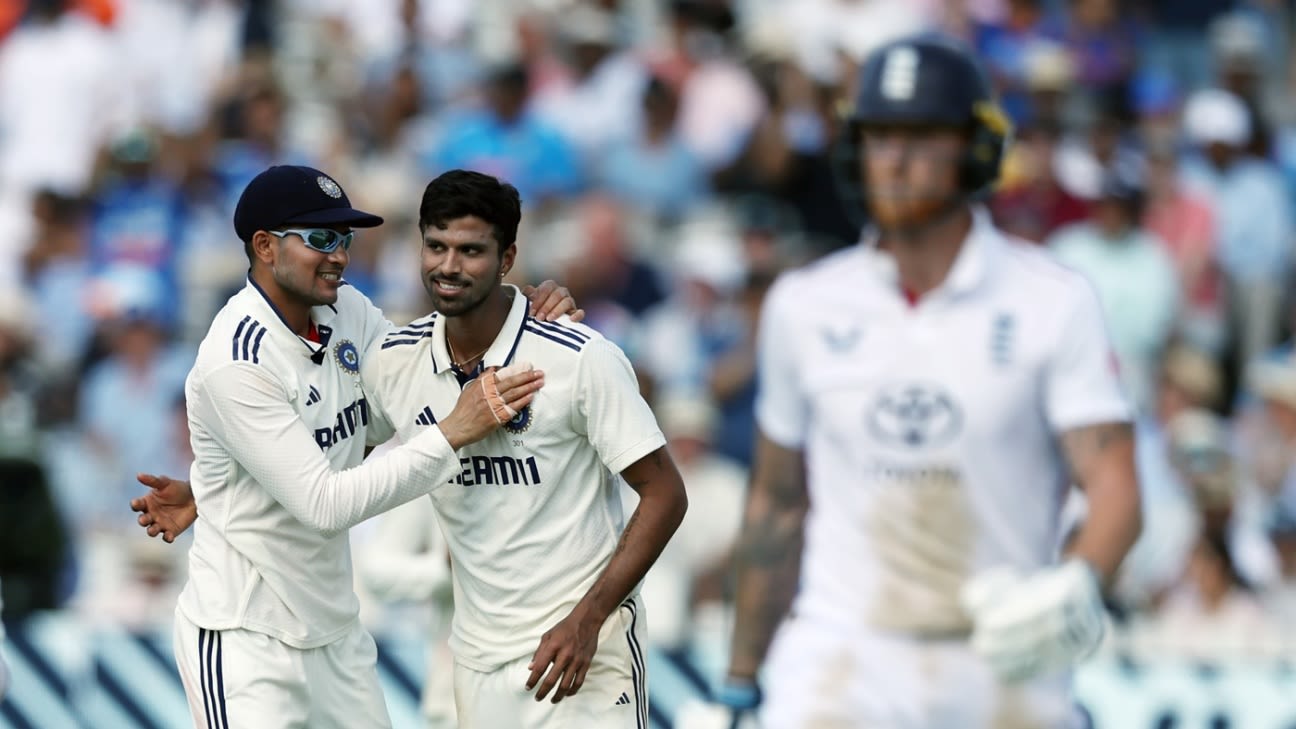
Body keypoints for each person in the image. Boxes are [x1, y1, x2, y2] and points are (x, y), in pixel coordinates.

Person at [680, 34, 1142, 728]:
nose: (893, 159)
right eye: (878, 136)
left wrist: (1081, 578)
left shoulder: (1053, 300)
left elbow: (1113, 482)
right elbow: (775, 506)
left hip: (1002, 648)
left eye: (921, 136)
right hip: (842, 653)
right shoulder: (804, 305)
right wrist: (739, 685)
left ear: (976, 150)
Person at [134, 169, 688, 728]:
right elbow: (324, 503)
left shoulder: (352, 315)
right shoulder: (237, 358)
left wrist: (211, 487)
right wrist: (455, 429)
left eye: (345, 238)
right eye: (321, 239)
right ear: (264, 246)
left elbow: (379, 404)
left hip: (338, 635)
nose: (339, 256)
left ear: (506, 257)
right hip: (247, 634)